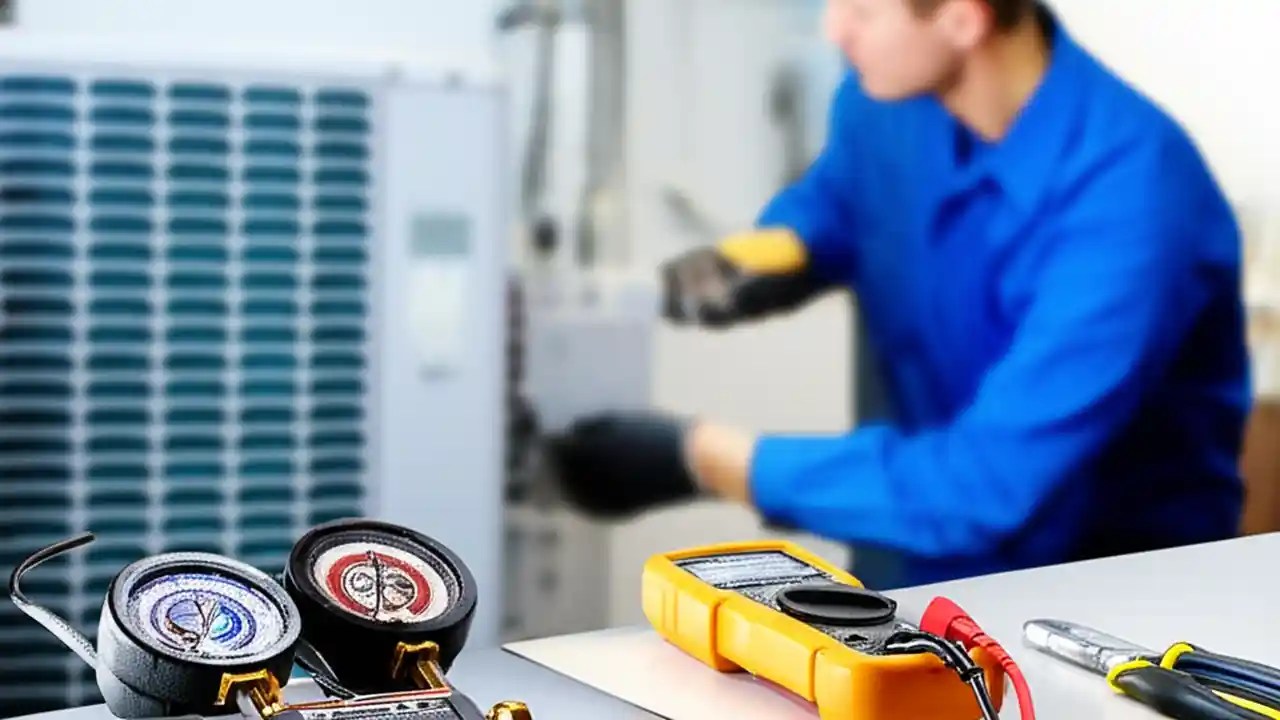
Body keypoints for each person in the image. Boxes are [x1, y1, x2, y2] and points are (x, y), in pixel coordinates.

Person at [549, 0, 1252, 588]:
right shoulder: (889, 100)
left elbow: (987, 483)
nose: (835, 30)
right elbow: (839, 200)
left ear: (963, 20)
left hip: (1108, 597)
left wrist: (702, 458)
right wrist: (770, 256)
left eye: (864, 9)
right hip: (935, 561)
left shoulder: (1132, 197)